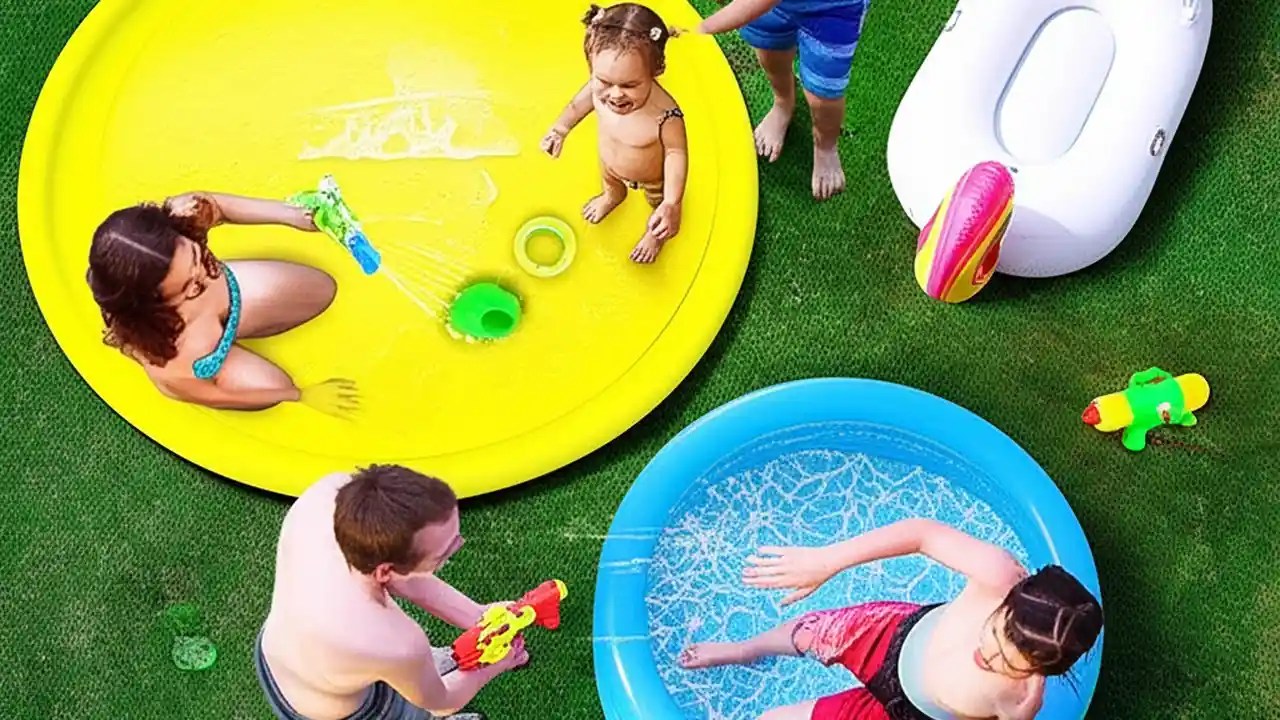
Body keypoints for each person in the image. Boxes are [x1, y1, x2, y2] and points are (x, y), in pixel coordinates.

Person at [680, 519, 1104, 720]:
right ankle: (747, 649)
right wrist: (827, 561)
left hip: (905, 715)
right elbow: (922, 534)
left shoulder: (1021, 702)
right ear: (1011, 599)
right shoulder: (997, 574)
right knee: (808, 632)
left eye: (1008, 663)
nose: (987, 654)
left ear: (1040, 670)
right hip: (892, 638)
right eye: (994, 633)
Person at [257, 466, 527, 720]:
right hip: (337, 710)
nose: (460, 544)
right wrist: (496, 664)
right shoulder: (392, 641)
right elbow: (442, 701)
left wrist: (478, 615)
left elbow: (403, 577)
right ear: (385, 570)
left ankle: (418, 670)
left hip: (279, 646)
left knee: (402, 666)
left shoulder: (330, 494)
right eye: (444, 552)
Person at [87, 192, 357, 415]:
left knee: (321, 288)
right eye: (186, 288)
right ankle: (242, 353)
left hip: (231, 299)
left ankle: (239, 321)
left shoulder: (182, 219)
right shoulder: (168, 357)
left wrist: (288, 214)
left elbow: (219, 208)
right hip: (209, 361)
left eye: (197, 258)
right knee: (274, 386)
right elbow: (215, 393)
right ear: (154, 304)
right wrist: (299, 395)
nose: (204, 276)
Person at [542, 2, 689, 264]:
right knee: (610, 181)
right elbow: (577, 106)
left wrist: (671, 202)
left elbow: (676, 153)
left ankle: (655, 234)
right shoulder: (597, 90)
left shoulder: (665, 114)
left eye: (630, 84)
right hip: (609, 162)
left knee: (658, 208)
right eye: (604, 82)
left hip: (653, 177)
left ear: (655, 71)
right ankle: (613, 195)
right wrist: (559, 129)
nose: (616, 94)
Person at [686, 0, 870, 200]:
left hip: (833, 10)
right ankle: (783, 103)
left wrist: (699, 30)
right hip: (773, 7)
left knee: (823, 96)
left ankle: (825, 145)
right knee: (770, 51)